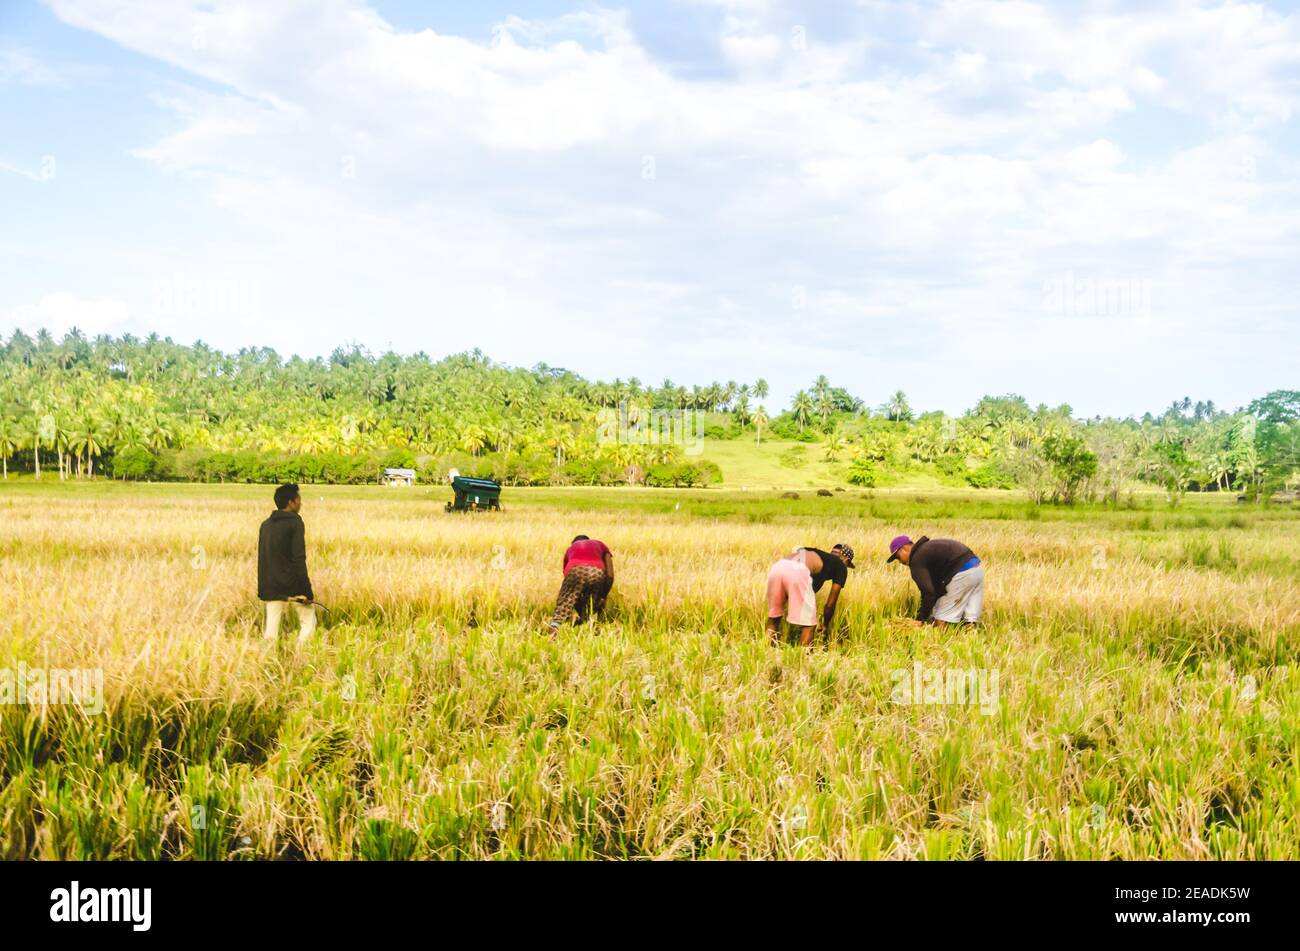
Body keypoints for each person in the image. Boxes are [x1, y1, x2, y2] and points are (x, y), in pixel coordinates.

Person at [258, 483, 316, 642]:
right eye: (298, 499)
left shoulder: (265, 525)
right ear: (291, 502)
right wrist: (307, 590)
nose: (300, 503)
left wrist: (264, 586)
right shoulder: (295, 522)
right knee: (308, 621)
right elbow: (298, 558)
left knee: (271, 630)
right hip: (292, 584)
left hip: (270, 584)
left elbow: (264, 557)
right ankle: (301, 657)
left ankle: (267, 661)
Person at [765, 543, 854, 646]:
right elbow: (830, 604)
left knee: (774, 618)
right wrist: (825, 625)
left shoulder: (818, 555)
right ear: (846, 560)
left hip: (778, 567)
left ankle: (767, 653)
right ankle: (805, 659)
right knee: (809, 625)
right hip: (799, 570)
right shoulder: (841, 566)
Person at [886, 535, 983, 627]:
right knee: (969, 620)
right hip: (977, 570)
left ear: (903, 549)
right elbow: (937, 585)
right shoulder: (927, 549)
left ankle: (938, 642)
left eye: (897, 557)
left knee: (941, 618)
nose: (899, 562)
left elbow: (928, 592)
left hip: (962, 573)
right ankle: (970, 639)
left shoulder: (917, 559)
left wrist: (921, 619)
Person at [546, 534, 614, 634]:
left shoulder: (570, 549)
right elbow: (610, 575)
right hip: (597, 572)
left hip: (575, 571)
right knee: (591, 606)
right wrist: (603, 595)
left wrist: (571, 597)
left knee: (564, 604)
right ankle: (593, 628)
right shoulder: (600, 545)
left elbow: (566, 573)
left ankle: (553, 631)